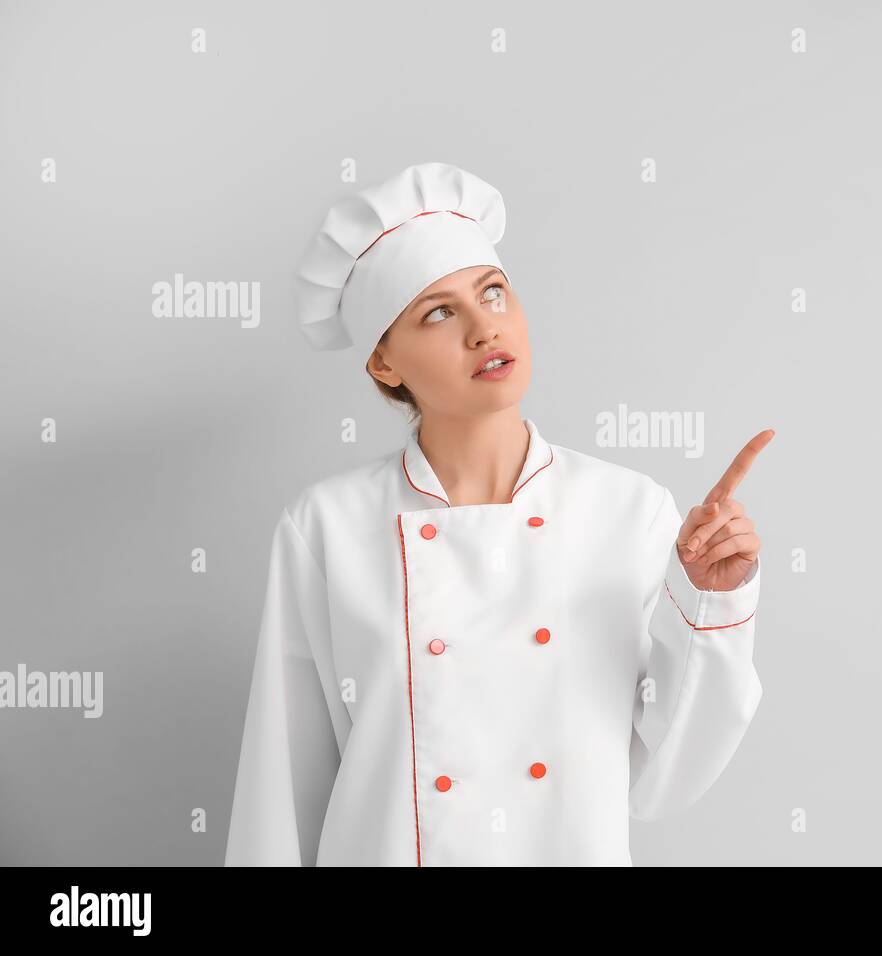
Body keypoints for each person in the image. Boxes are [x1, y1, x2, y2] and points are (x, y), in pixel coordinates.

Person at [224, 162, 773, 866]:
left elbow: (668, 775)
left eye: (493, 293)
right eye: (439, 312)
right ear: (384, 363)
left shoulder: (629, 511)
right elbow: (283, 780)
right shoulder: (326, 527)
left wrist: (710, 600)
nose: (485, 328)